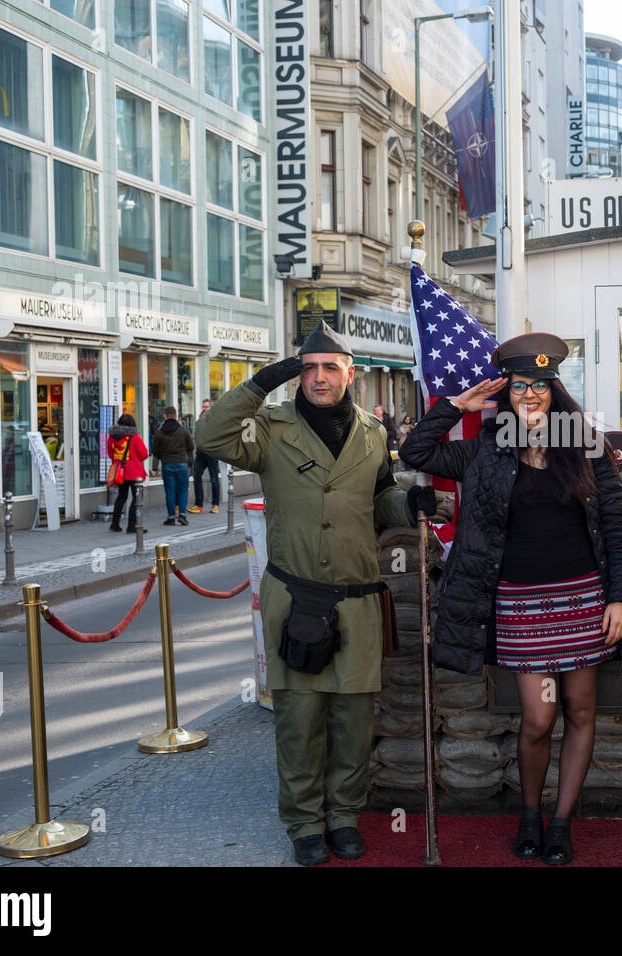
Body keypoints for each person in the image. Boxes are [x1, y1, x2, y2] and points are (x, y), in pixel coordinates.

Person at [399, 332, 622, 865]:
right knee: (538, 719)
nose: (530, 396)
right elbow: (416, 451)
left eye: (540, 387)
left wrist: (618, 598)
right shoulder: (485, 449)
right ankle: (529, 813)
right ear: (506, 393)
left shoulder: (584, 443)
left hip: (582, 597)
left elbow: (616, 528)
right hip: (519, 603)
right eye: (520, 387)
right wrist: (452, 406)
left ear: (555, 391)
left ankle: (561, 822)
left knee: (580, 710)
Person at [195, 321, 423, 867]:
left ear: (350, 374)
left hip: (358, 597)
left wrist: (408, 507)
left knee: (353, 720)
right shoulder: (270, 427)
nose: (319, 378)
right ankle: (303, 823)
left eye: (330, 367)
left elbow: (379, 498)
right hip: (297, 595)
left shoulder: (373, 432)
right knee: (299, 720)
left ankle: (344, 816)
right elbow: (210, 438)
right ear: (298, 373)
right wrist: (258, 385)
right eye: (309, 368)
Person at [151, 405, 194, 525]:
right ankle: (182, 515)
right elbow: (191, 447)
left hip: (167, 464)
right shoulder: (183, 431)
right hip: (181, 464)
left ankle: (171, 517)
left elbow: (155, 450)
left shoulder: (159, 433)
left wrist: (161, 458)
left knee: (170, 491)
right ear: (176, 416)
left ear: (164, 416)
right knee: (183, 490)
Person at [107, 413, 149, 533]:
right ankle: (132, 526)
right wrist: (134, 460)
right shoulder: (134, 437)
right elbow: (144, 453)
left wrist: (118, 461)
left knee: (121, 496)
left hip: (119, 471)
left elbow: (110, 453)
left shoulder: (112, 437)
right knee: (137, 499)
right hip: (134, 472)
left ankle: (115, 524)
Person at [189, 399, 221, 514]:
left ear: (211, 408)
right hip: (200, 454)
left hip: (212, 453)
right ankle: (199, 504)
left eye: (206, 407)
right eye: (203, 406)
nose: (204, 408)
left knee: (214, 479)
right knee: (196, 477)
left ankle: (215, 505)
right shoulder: (199, 420)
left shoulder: (216, 421)